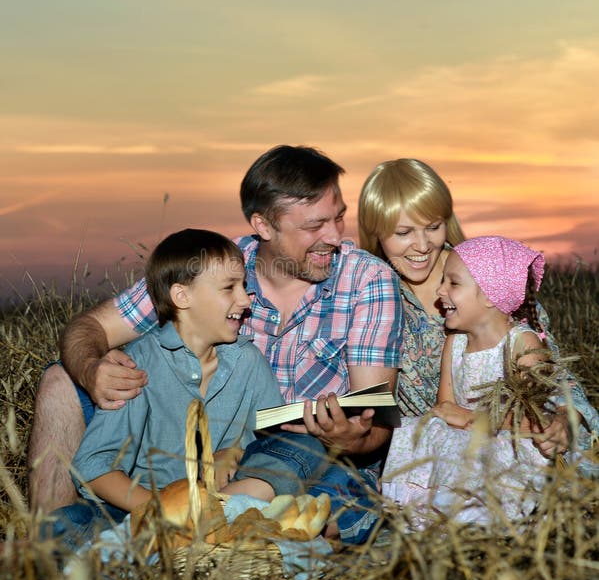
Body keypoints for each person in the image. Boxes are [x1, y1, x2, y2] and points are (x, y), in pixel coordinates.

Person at [29, 146, 403, 544]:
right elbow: (90, 328)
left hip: (301, 453)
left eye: (339, 217)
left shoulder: (367, 280)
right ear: (263, 225)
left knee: (317, 476)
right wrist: (91, 371)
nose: (335, 235)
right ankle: (46, 552)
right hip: (190, 446)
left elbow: (375, 420)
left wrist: (350, 437)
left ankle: (166, 533)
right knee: (59, 381)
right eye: (315, 226)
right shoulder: (213, 266)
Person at [358, 158, 599, 466]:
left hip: (520, 445)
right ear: (376, 231)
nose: (421, 245)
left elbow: (556, 379)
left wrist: (564, 420)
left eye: (433, 227)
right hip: (440, 458)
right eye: (403, 232)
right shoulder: (372, 297)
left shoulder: (489, 278)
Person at [51, 229, 284, 547]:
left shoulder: (248, 361)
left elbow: (277, 443)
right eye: (230, 287)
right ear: (181, 297)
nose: (245, 300)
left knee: (307, 452)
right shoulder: (139, 364)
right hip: (142, 510)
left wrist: (237, 452)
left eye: (243, 285)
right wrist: (158, 511)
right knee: (65, 525)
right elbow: (93, 465)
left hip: (229, 506)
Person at [381, 236, 567, 527]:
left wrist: (468, 419)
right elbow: (445, 405)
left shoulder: (522, 344)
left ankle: (477, 518)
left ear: (491, 294)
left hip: (504, 443)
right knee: (413, 428)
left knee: (468, 446)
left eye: (453, 283)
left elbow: (533, 422)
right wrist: (453, 417)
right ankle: (426, 513)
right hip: (463, 434)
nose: (440, 291)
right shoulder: (454, 343)